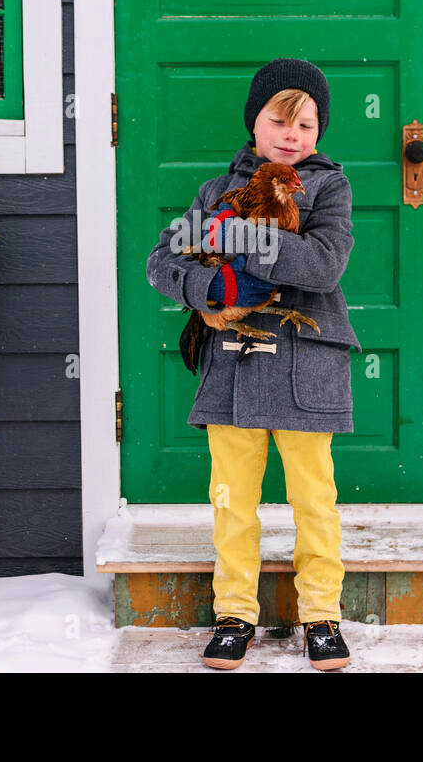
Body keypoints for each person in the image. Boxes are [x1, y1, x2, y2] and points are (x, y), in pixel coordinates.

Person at [145, 58, 359, 670]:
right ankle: (234, 613)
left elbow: (321, 267)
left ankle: (321, 616)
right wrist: (208, 292)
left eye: (308, 125)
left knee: (313, 497)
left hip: (305, 365)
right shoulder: (216, 193)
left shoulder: (328, 189)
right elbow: (162, 261)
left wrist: (234, 241)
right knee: (232, 499)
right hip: (232, 368)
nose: (293, 136)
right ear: (255, 121)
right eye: (280, 120)